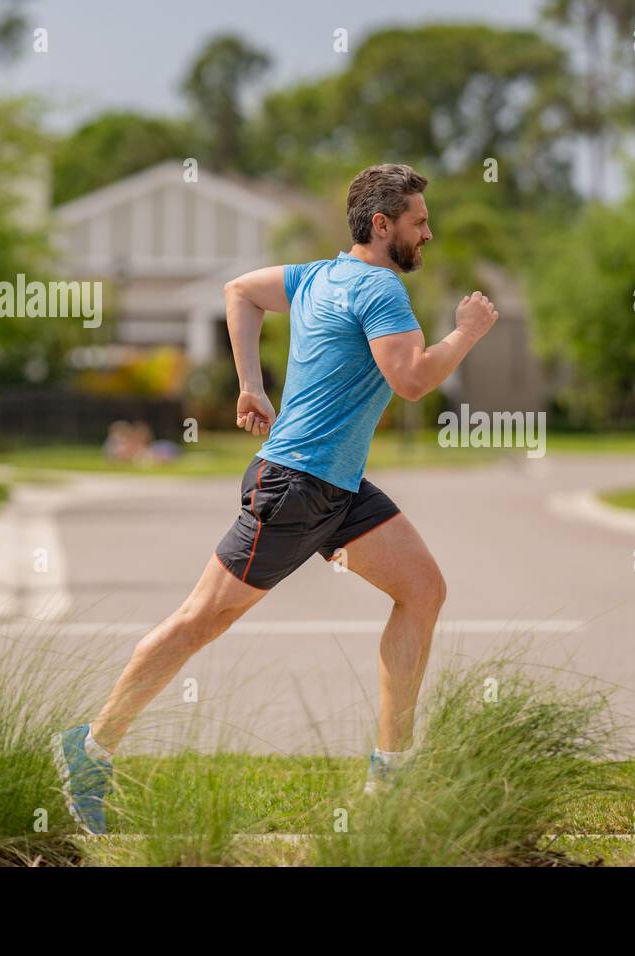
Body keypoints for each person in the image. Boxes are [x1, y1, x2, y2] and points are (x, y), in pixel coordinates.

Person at [52, 163, 499, 832]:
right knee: (202, 619)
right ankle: (90, 746)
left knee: (423, 590)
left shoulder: (317, 276)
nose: (428, 233)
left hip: (337, 489)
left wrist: (250, 386)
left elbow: (239, 291)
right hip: (294, 486)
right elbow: (409, 380)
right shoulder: (379, 289)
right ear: (383, 225)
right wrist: (465, 332)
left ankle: (389, 778)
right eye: (418, 221)